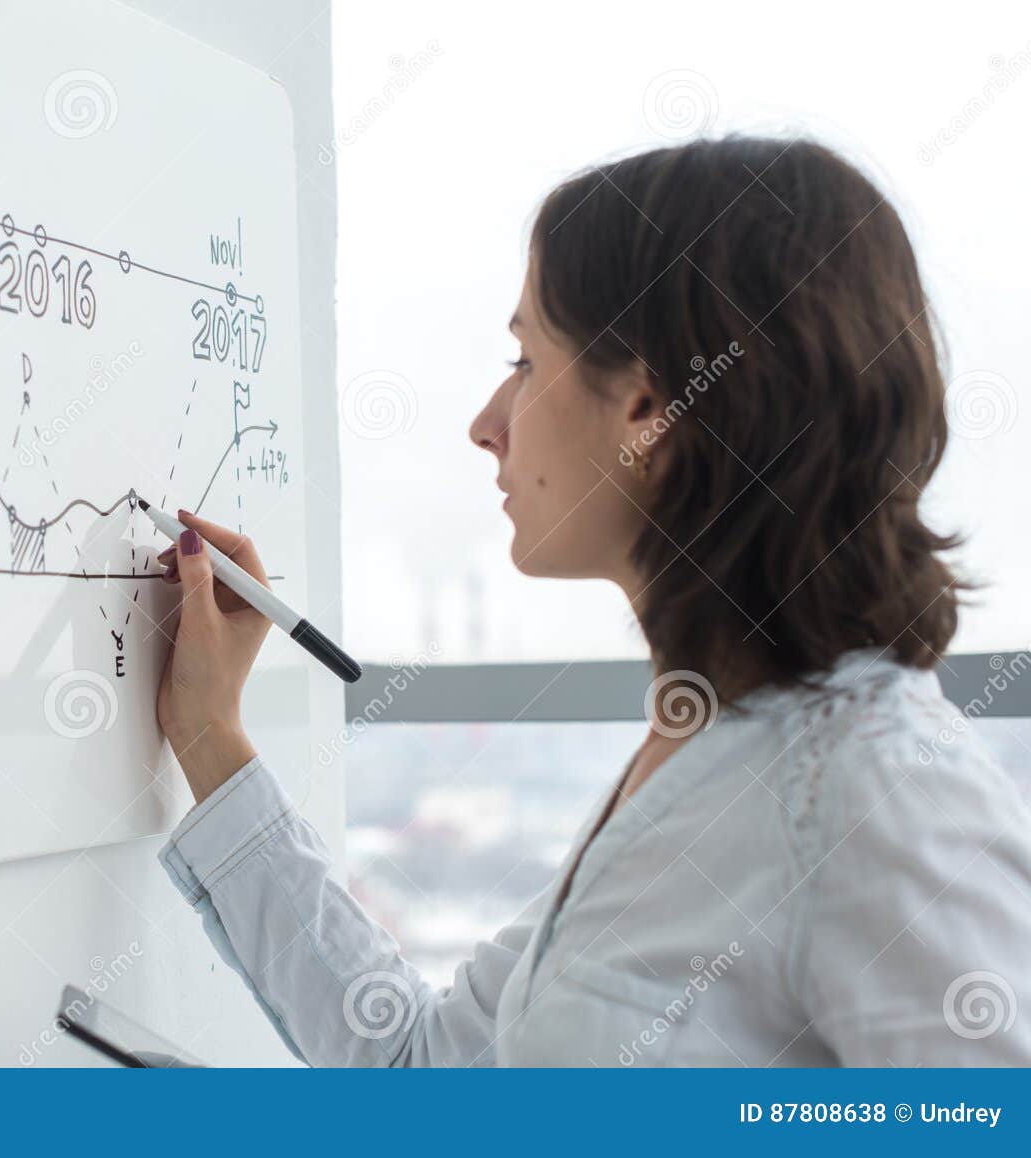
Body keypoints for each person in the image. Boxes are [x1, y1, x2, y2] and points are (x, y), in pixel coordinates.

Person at [148, 136, 1031, 1066]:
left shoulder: (875, 797)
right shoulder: (694, 757)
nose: (487, 424)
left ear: (650, 408)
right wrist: (209, 734)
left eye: (525, 360)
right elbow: (424, 1066)